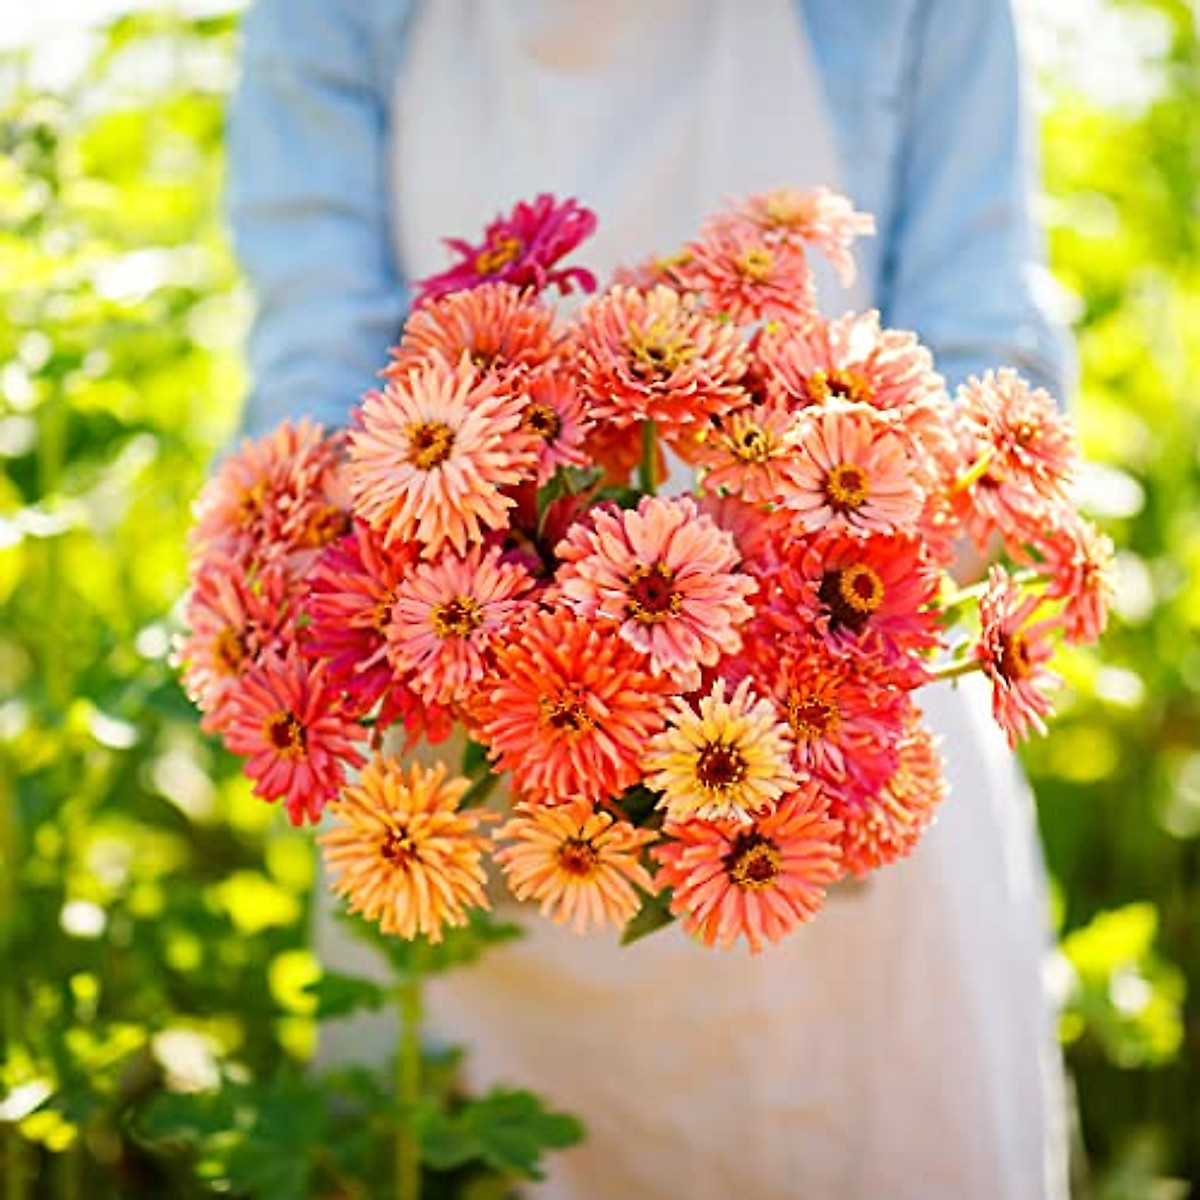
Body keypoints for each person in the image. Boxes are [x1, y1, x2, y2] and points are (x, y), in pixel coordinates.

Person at [227, 2, 1073, 1196]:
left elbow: (991, 356)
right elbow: (318, 369)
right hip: (466, 776)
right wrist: (439, 604)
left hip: (844, 743)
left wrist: (813, 609)